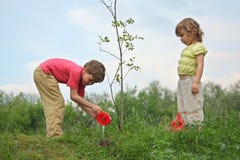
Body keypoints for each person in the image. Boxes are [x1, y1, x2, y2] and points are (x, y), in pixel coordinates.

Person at [33, 58, 105, 137]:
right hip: (44, 73)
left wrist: (94, 115)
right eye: (90, 80)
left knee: (56, 102)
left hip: (43, 73)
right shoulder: (76, 72)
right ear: (85, 70)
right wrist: (92, 106)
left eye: (93, 83)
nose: (90, 83)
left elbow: (80, 102)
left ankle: (53, 134)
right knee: (57, 102)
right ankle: (54, 135)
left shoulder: (81, 83)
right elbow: (73, 96)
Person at [175, 18, 208, 126]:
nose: (181, 39)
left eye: (182, 35)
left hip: (191, 80)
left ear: (192, 32)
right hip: (182, 82)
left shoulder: (198, 47)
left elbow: (200, 64)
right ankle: (185, 127)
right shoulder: (187, 49)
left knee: (193, 106)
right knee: (183, 106)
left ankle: (197, 129)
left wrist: (196, 82)